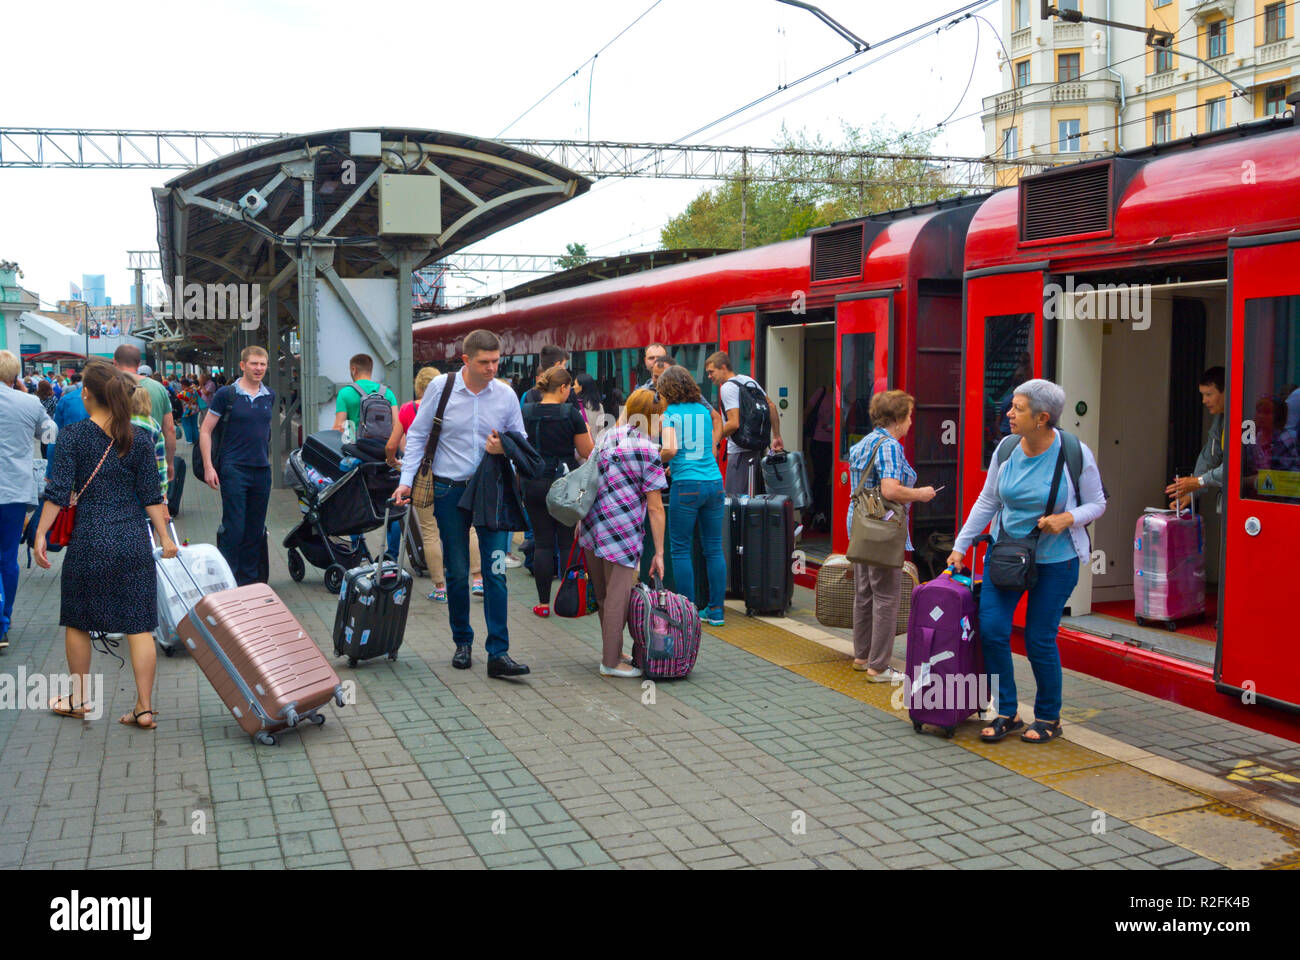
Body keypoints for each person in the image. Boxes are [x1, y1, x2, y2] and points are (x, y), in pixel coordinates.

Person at [948, 379, 1106, 745]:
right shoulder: (1005, 449)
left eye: (1017, 408)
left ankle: (1049, 716)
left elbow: (1097, 503)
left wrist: (1067, 518)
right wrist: (961, 546)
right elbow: (987, 501)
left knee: (1038, 638)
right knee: (992, 629)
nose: (1009, 414)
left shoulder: (1073, 452)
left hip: (1056, 560)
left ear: (1042, 418)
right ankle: (1008, 711)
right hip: (1006, 556)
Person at [34, 360, 176, 728]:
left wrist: (39, 534)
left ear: (86, 395)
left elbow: (57, 493)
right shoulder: (139, 437)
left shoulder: (73, 436)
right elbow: (152, 495)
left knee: (78, 621)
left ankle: (79, 699)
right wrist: (164, 538)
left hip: (90, 541)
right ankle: (144, 708)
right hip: (132, 540)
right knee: (139, 625)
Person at [393, 329, 531, 679]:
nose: (491, 368)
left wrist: (506, 449)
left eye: (496, 361)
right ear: (466, 360)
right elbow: (419, 436)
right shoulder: (441, 388)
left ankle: (498, 652)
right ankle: (462, 642)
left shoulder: (505, 395)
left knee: (495, 572)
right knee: (456, 572)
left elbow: (521, 440)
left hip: (492, 491)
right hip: (447, 490)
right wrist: (406, 481)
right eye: (484, 362)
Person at [846, 391, 935, 681]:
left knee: (864, 593)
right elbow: (890, 490)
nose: (911, 422)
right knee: (886, 595)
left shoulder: (865, 443)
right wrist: (920, 495)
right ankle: (879, 666)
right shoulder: (890, 446)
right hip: (881, 529)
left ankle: (862, 656)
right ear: (897, 418)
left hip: (860, 525)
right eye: (909, 416)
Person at [578, 388, 667, 677]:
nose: (664, 421)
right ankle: (610, 662)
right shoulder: (647, 449)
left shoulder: (606, 438)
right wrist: (660, 552)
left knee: (604, 596)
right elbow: (655, 507)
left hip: (592, 528)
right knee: (619, 597)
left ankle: (613, 651)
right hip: (621, 533)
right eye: (662, 415)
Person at [392, 366, 483, 602]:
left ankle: (440, 588)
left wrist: (395, 463)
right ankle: (478, 579)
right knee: (469, 526)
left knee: (430, 532)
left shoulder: (408, 409)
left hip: (422, 475)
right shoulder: (454, 403)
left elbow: (399, 444)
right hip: (450, 473)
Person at [200, 346, 275, 586]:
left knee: (255, 529)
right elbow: (206, 430)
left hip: (262, 470)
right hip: (234, 470)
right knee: (234, 528)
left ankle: (250, 581)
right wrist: (209, 467)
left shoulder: (269, 395)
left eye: (262, 364)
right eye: (254, 364)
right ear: (242, 365)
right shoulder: (226, 394)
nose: (259, 368)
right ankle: (228, 580)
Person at [521, 366, 593, 617]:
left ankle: (542, 604)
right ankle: (567, 600)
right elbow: (587, 452)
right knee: (565, 542)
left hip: (533, 482)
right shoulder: (570, 413)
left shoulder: (526, 411)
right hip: (564, 484)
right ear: (563, 388)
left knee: (541, 542)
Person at [656, 366, 726, 625]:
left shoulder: (669, 415)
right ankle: (716, 610)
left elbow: (672, 449)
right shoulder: (704, 412)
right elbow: (700, 446)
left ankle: (687, 612)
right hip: (714, 484)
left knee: (681, 549)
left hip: (686, 486)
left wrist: (654, 459)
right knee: (714, 549)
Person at [0, 350, 56, 650]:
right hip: (13, 490)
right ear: (15, 376)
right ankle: (3, 623)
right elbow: (50, 434)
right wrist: (24, 397)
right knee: (7, 557)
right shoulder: (29, 402)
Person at [705, 351, 784, 497]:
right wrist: (777, 436)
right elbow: (772, 406)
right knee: (750, 500)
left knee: (734, 501)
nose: (709, 376)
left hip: (739, 453)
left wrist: (711, 439)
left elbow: (734, 423)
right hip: (755, 450)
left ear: (723, 367)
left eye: (711, 372)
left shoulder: (727, 388)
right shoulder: (747, 380)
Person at [114, 346, 175, 496]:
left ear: (114, 362)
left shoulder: (108, 387)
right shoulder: (158, 388)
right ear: (139, 363)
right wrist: (169, 462)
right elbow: (170, 429)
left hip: (116, 466)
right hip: (151, 465)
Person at [1166, 366, 1225, 513]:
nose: (1204, 400)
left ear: (1226, 391)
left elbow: (1235, 468)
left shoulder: (1242, 419)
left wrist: (1198, 481)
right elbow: (1209, 456)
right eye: (1202, 395)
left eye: (1209, 394)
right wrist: (1191, 492)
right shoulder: (1220, 418)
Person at [332, 353, 400, 456]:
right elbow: (397, 425)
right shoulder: (387, 393)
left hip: (357, 451)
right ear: (371, 370)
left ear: (354, 369)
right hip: (382, 452)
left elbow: (339, 427)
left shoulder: (345, 393)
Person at [131, 385, 168, 507]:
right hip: (149, 485)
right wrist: (163, 494)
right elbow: (160, 461)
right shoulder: (154, 425)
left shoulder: (119, 423)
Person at [803, 384, 834, 530]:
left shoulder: (846, 393)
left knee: (827, 476)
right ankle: (816, 510)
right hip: (818, 441)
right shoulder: (821, 392)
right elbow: (807, 412)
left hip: (835, 442)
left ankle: (821, 511)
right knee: (819, 476)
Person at [573, 372, 607, 448]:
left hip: (581, 449)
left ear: (581, 387)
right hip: (595, 448)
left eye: (575, 384)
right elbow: (601, 430)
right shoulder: (599, 406)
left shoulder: (575, 406)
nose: (573, 387)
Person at [35, 380, 57, 457]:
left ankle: (44, 458)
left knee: (43, 443)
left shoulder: (37, 398)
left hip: (41, 422)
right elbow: (55, 409)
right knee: (51, 443)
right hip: (50, 421)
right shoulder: (53, 398)